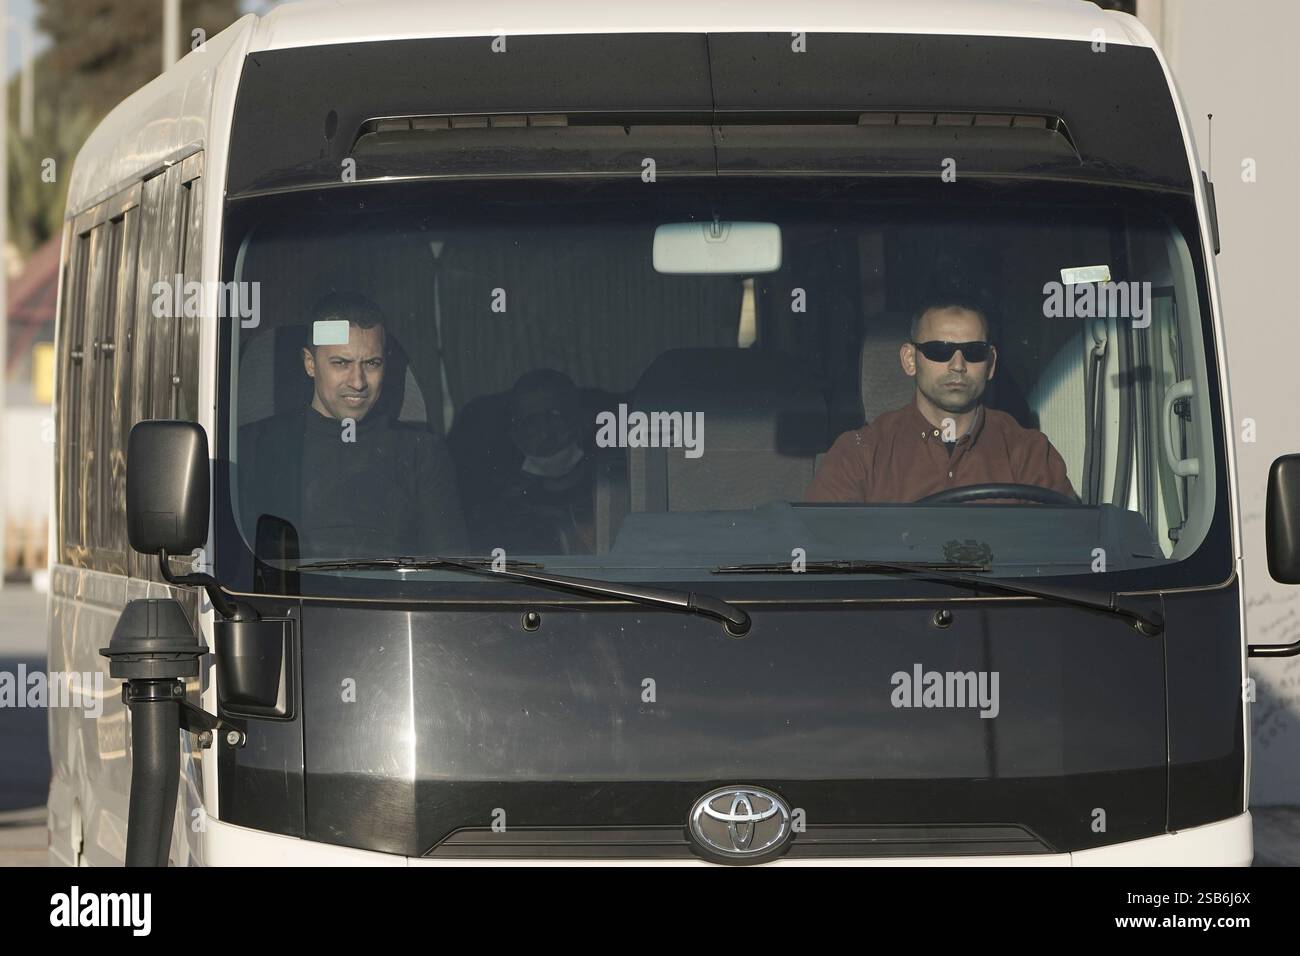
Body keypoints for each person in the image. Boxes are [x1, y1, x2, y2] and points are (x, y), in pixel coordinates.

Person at [239, 292, 466, 558]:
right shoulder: (256, 445)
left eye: (371, 363)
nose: (358, 382)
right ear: (310, 364)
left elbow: (450, 563)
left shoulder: (420, 453)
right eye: (341, 363)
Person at [805, 303, 1076, 503]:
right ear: (910, 359)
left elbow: (1066, 545)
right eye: (939, 351)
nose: (957, 365)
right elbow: (824, 553)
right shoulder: (858, 455)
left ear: (990, 363)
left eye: (973, 352)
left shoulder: (1029, 452)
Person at [492, 369, 596, 553]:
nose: (545, 432)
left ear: (581, 420)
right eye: (531, 422)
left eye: (554, 416)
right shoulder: (507, 511)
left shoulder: (610, 489)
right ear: (516, 435)